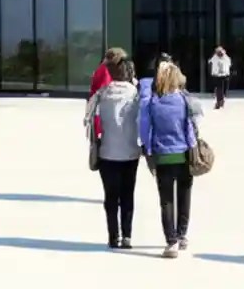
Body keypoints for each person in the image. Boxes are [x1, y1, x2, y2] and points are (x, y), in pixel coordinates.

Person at [139, 60, 197, 258]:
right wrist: (193, 146)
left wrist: (147, 149)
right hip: (183, 155)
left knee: (166, 201)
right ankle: (182, 235)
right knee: (184, 195)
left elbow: (145, 128)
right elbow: (191, 127)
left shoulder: (153, 102)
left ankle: (170, 241)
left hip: (162, 155)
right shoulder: (184, 99)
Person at [84, 58, 141, 249]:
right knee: (128, 195)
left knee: (110, 197)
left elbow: (88, 118)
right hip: (130, 152)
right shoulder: (135, 94)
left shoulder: (102, 94)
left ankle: (113, 236)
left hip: (107, 151)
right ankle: (127, 236)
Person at [89, 48, 126, 138]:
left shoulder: (101, 69)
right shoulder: (105, 71)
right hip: (102, 120)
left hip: (99, 116)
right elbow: (106, 93)